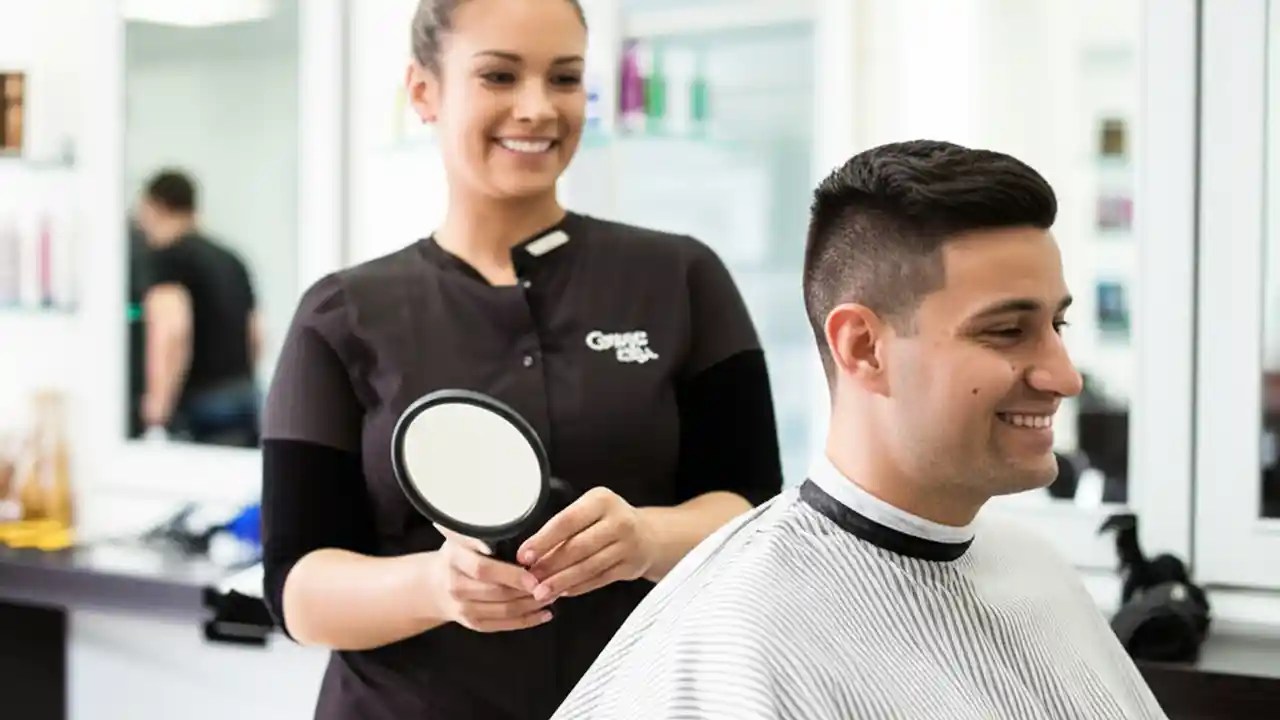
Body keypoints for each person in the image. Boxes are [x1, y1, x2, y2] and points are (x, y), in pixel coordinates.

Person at [258, 0, 783, 718]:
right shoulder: (342, 315)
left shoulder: (682, 279)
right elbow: (298, 587)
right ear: (424, 92)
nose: (537, 108)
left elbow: (754, 514)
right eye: (499, 76)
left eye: (564, 79)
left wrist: (646, 537)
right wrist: (436, 587)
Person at [551, 140, 1170, 720]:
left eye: (1057, 325)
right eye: (1007, 331)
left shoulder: (1037, 571)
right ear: (864, 347)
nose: (1065, 377)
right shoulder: (740, 636)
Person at [135, 169, 262, 447]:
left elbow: (172, 331)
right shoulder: (231, 258)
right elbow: (255, 335)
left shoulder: (166, 258)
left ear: (155, 206)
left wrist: (157, 405)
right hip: (245, 395)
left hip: (201, 404)